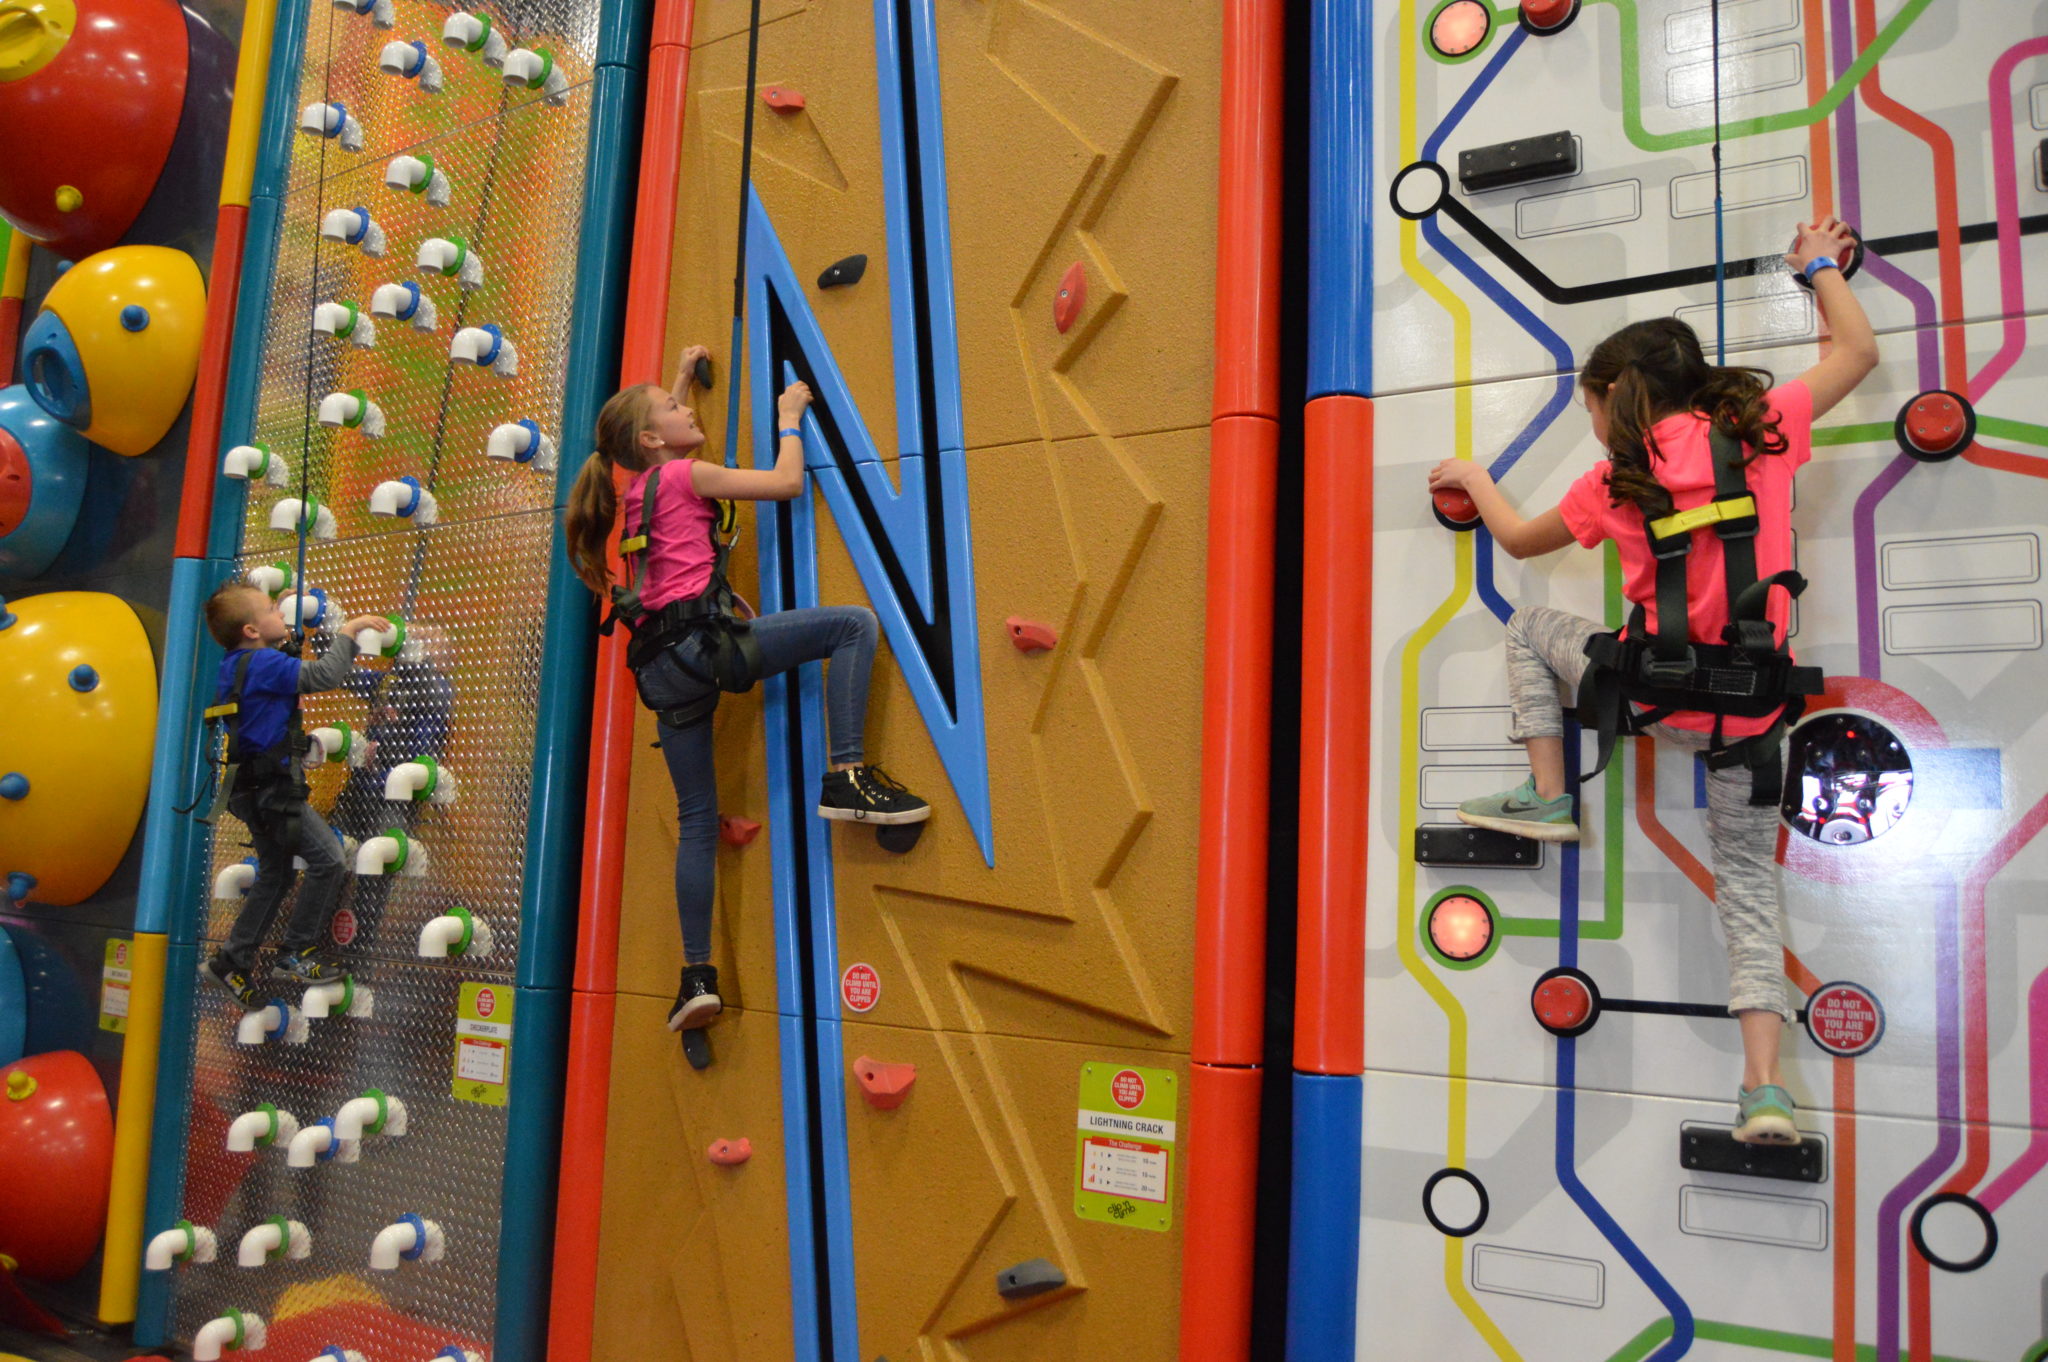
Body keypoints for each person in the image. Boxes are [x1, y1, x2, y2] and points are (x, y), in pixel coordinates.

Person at [1425, 217, 1877, 1145]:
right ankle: (1765, 1092)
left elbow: (1515, 541)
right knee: (1748, 886)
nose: (1590, 421)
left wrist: (1473, 471)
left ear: (1610, 396)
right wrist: (1819, 269)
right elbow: (1860, 351)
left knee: (1530, 629)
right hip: (1753, 713)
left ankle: (1551, 797)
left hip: (1651, 694)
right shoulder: (1765, 426)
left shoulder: (1611, 479)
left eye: (1589, 404)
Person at [564, 345, 932, 1035]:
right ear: (651, 439)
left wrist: (678, 379)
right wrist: (789, 416)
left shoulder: (634, 493)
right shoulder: (686, 476)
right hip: (708, 650)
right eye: (676, 409)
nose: (687, 410)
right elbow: (786, 483)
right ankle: (848, 775)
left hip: (661, 671)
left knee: (698, 819)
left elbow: (662, 441)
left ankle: (696, 976)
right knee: (853, 625)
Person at [200, 580, 392, 1007]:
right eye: (271, 609)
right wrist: (349, 632)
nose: (279, 615)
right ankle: (296, 952)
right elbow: (324, 675)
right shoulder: (263, 662)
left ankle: (232, 960)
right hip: (273, 791)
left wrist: (285, 632)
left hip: (247, 789)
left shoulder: (235, 664)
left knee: (278, 873)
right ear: (252, 630)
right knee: (329, 858)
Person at [329, 622, 458, 950]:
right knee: (329, 857)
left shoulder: (437, 687)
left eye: (427, 639)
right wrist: (330, 634)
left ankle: (361, 953)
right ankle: (321, 943)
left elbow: (428, 722)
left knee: (374, 877)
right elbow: (347, 676)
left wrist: (384, 747)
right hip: (362, 787)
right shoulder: (388, 681)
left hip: (396, 795)